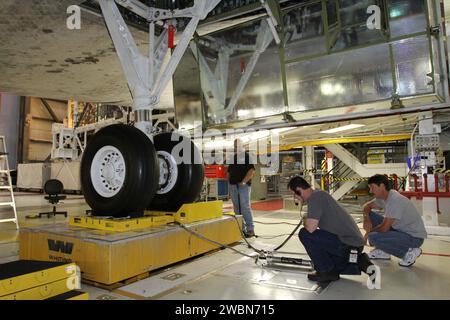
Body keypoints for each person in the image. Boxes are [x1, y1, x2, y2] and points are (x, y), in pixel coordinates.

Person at [288, 176, 371, 282]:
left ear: (299, 190)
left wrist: (306, 220)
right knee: (336, 266)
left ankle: (326, 272)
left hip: (348, 243)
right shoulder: (319, 195)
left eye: (294, 194)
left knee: (305, 234)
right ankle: (361, 262)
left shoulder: (315, 198)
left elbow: (310, 228)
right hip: (354, 244)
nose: (295, 197)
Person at [363, 174, 427, 267]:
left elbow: (384, 228)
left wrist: (368, 234)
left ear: (382, 186)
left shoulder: (395, 200)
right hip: (400, 232)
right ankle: (383, 251)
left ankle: (407, 253)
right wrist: (366, 218)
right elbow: (366, 206)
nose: (370, 191)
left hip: (413, 238)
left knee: (373, 237)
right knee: (371, 215)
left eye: (372, 187)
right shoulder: (385, 197)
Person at [227, 139, 256, 238]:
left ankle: (250, 229)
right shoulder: (233, 158)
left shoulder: (247, 156)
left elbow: (251, 171)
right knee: (236, 208)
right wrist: (229, 182)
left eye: (238, 145)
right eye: (235, 146)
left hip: (243, 186)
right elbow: (229, 172)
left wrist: (243, 181)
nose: (236, 147)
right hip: (233, 186)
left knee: (245, 207)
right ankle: (241, 229)